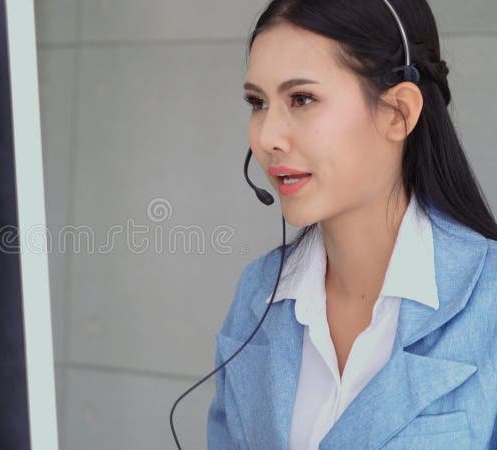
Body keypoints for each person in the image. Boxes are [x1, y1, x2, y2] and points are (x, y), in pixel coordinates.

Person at [206, 0, 497, 449]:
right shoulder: (257, 294)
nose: (266, 138)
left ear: (398, 112)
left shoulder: (489, 297)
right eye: (257, 102)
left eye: (301, 99)